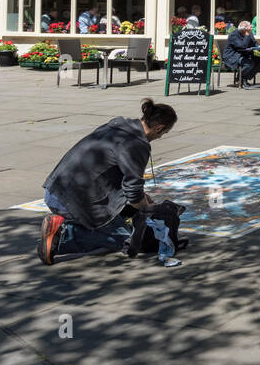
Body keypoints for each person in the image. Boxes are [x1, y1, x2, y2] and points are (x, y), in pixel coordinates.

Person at [37, 98, 178, 265]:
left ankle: (72, 225)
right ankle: (62, 236)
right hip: (70, 201)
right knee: (128, 239)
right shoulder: (136, 144)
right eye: (163, 133)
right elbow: (133, 194)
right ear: (159, 128)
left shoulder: (118, 126)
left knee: (122, 218)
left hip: (56, 188)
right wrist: (147, 210)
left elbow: (115, 172)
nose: (160, 136)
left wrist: (140, 196)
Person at [223, 20, 260, 86]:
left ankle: (244, 78)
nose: (251, 29)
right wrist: (247, 34)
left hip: (244, 55)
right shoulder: (233, 35)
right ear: (244, 28)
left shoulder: (249, 33)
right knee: (249, 64)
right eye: (250, 27)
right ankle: (240, 78)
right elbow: (242, 46)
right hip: (232, 57)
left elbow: (254, 43)